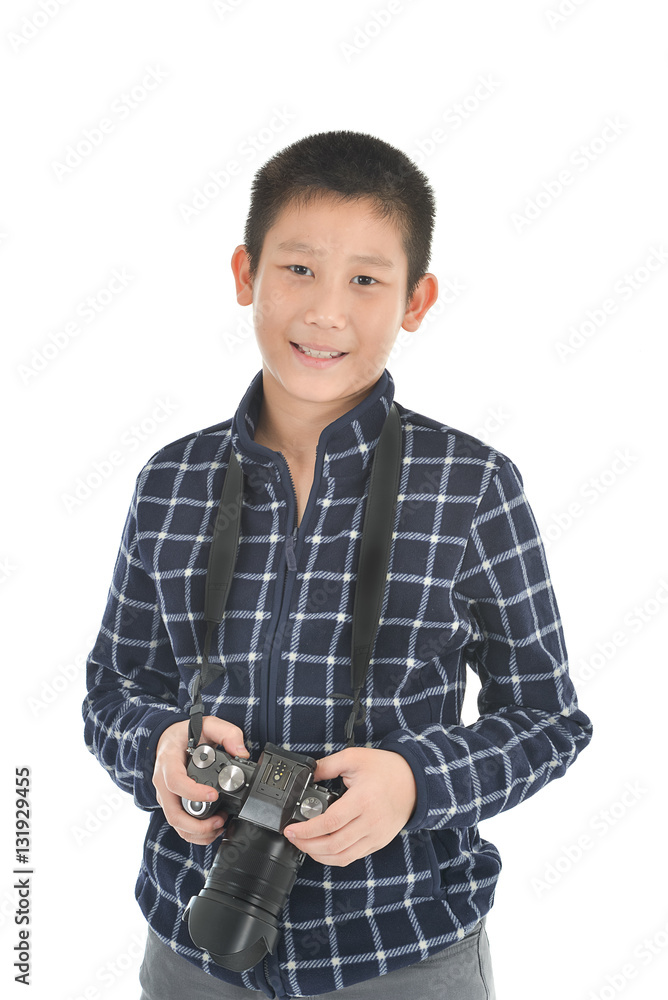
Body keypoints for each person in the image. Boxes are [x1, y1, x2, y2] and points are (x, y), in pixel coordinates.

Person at [82, 130, 593, 1000]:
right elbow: (113, 689)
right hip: (189, 938)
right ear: (245, 274)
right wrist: (161, 750)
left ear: (416, 300)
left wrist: (415, 784)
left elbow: (549, 718)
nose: (325, 312)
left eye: (366, 280)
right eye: (297, 269)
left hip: (401, 951)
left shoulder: (473, 486)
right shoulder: (170, 481)